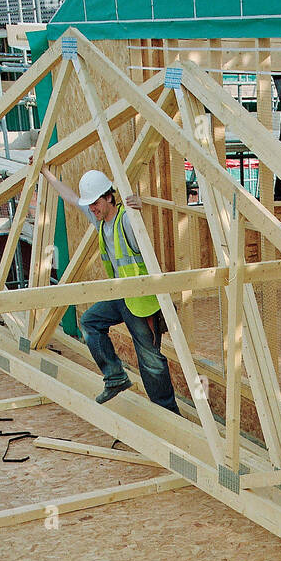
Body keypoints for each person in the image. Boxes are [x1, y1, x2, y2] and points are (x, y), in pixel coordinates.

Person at [41, 167, 179, 411]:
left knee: (150, 360)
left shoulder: (127, 219)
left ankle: (168, 413)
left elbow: (146, 240)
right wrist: (45, 172)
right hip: (121, 297)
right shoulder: (100, 220)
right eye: (90, 205)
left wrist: (141, 208)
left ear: (108, 197)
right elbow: (71, 198)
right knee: (91, 322)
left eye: (95, 203)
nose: (92, 208)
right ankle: (115, 376)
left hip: (142, 301)